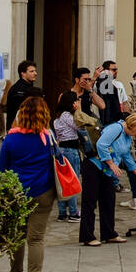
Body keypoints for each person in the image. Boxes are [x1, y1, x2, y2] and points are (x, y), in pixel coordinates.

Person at [0, 91, 55, 272]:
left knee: (17, 237)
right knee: (36, 239)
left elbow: (2, 169)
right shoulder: (47, 137)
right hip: (43, 191)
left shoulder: (11, 139)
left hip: (16, 193)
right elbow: (56, 162)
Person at [79, 112, 136, 247]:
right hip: (94, 166)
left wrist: (135, 170)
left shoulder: (127, 137)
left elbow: (125, 154)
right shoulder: (116, 129)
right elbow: (101, 144)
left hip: (107, 171)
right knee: (90, 202)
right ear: (134, 125)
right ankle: (87, 236)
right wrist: (111, 163)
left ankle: (109, 233)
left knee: (108, 201)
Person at [52, 94, 82, 222]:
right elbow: (79, 126)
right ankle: (73, 212)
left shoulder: (58, 116)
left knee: (63, 181)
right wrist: (79, 110)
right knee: (72, 180)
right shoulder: (67, 116)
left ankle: (62, 212)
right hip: (71, 149)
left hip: (61, 149)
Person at [5, 60, 37, 130]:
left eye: (35, 71)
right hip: (19, 128)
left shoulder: (28, 87)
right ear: (23, 73)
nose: (35, 73)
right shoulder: (18, 89)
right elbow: (20, 111)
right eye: (31, 71)